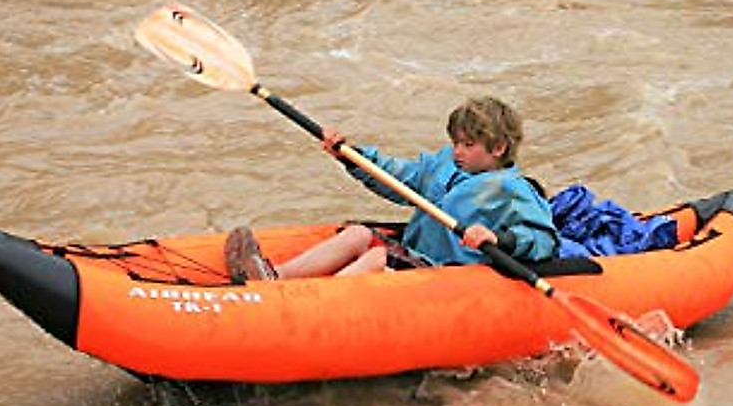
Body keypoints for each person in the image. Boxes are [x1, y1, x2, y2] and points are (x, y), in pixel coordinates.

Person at [226, 97, 559, 281]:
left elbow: (544, 240)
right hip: (413, 255)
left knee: (377, 257)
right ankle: (275, 277)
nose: (457, 151)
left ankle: (307, 306)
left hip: (446, 274)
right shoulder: (444, 163)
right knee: (359, 234)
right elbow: (396, 177)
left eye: (468, 145)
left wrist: (497, 239)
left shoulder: (513, 190)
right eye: (456, 142)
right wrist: (350, 156)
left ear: (498, 148)